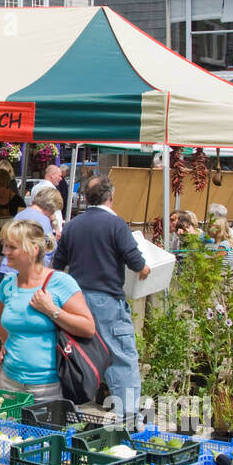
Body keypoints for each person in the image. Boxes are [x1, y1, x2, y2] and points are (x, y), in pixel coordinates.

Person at [53, 175, 150, 421]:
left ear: (85, 198)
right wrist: (145, 270)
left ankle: (69, 410)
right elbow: (136, 261)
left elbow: (58, 264)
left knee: (75, 354)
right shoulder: (116, 224)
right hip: (107, 299)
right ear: (111, 196)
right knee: (121, 356)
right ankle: (127, 417)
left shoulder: (73, 225)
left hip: (76, 298)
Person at [0, 219, 96, 400]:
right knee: (6, 429)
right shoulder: (8, 284)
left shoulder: (60, 282)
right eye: (5, 247)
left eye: (12, 247)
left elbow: (88, 328)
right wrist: (5, 343)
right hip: (9, 382)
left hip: (48, 387)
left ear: (33, 250)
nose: (6, 252)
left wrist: (52, 310)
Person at [0, 186, 61, 278]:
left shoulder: (20, 214)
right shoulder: (43, 220)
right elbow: (48, 249)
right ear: (51, 207)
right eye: (54, 211)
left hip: (7, 268)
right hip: (24, 272)